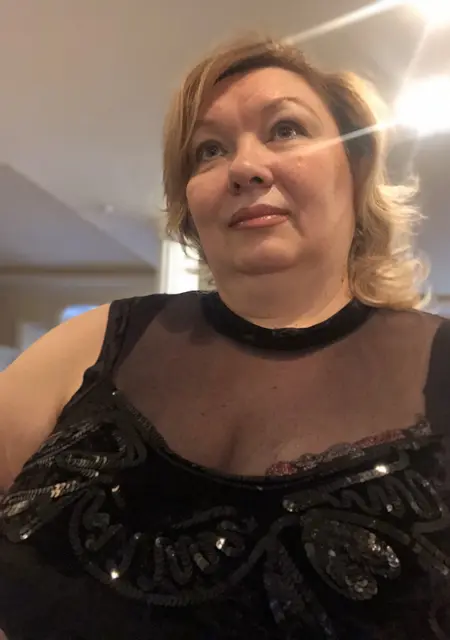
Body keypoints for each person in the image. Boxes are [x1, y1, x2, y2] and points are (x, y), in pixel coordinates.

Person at [0, 34, 450, 640]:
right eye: (209, 150)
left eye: (286, 129)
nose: (243, 167)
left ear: (357, 167)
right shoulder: (98, 339)